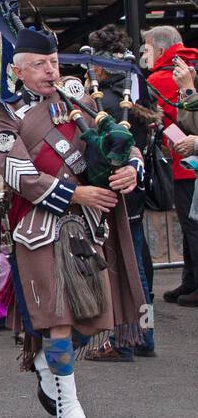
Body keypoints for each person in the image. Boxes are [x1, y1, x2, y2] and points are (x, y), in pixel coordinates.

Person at [0, 27, 146, 418]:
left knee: (91, 319)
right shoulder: (5, 112)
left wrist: (132, 168)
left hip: (87, 228)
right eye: (39, 64)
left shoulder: (78, 103)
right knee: (58, 318)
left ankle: (43, 360)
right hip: (38, 227)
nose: (49, 70)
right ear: (18, 70)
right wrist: (75, 191)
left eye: (53, 62)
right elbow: (17, 172)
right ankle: (69, 407)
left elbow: (121, 144)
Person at [86, 25, 161, 352]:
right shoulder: (135, 92)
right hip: (135, 190)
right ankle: (144, 335)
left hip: (115, 189)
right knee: (139, 269)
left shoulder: (105, 102)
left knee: (125, 271)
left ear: (100, 66)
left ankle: (126, 339)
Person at [143, 25, 198, 305]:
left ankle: (194, 282)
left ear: (161, 50)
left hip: (184, 162)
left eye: (148, 49)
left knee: (193, 226)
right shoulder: (190, 66)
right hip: (187, 158)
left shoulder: (161, 79)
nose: (144, 55)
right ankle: (189, 281)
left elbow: (167, 119)